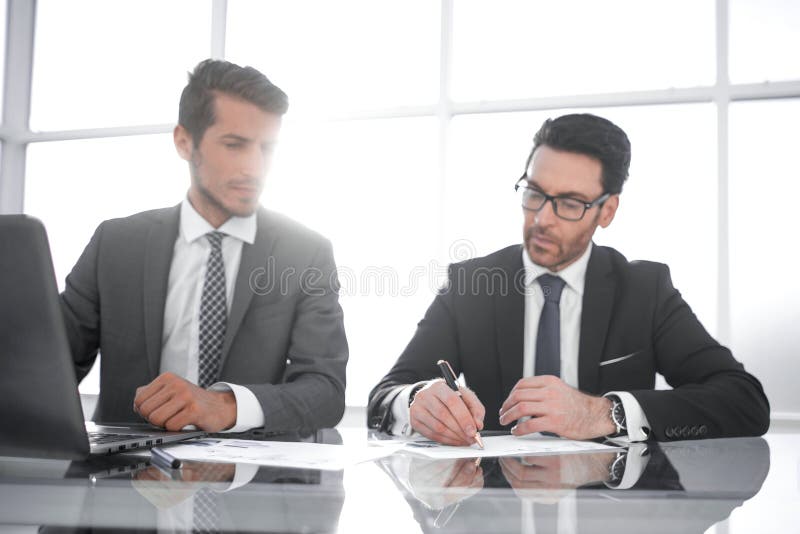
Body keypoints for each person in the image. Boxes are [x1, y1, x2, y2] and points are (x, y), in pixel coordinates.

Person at [368, 113, 769, 445]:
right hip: (494, 508)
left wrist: (603, 412)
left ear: (607, 211)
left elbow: (744, 400)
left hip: (610, 507)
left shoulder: (645, 290)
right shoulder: (470, 284)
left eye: (570, 203)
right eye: (534, 193)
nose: (542, 218)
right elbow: (386, 394)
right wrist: (417, 399)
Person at [60, 59, 348, 434]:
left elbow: (325, 392)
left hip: (251, 480)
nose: (255, 167)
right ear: (184, 142)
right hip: (126, 477)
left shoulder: (305, 253)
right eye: (235, 145)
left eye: (268, 148)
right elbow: (49, 366)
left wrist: (225, 405)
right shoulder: (116, 245)